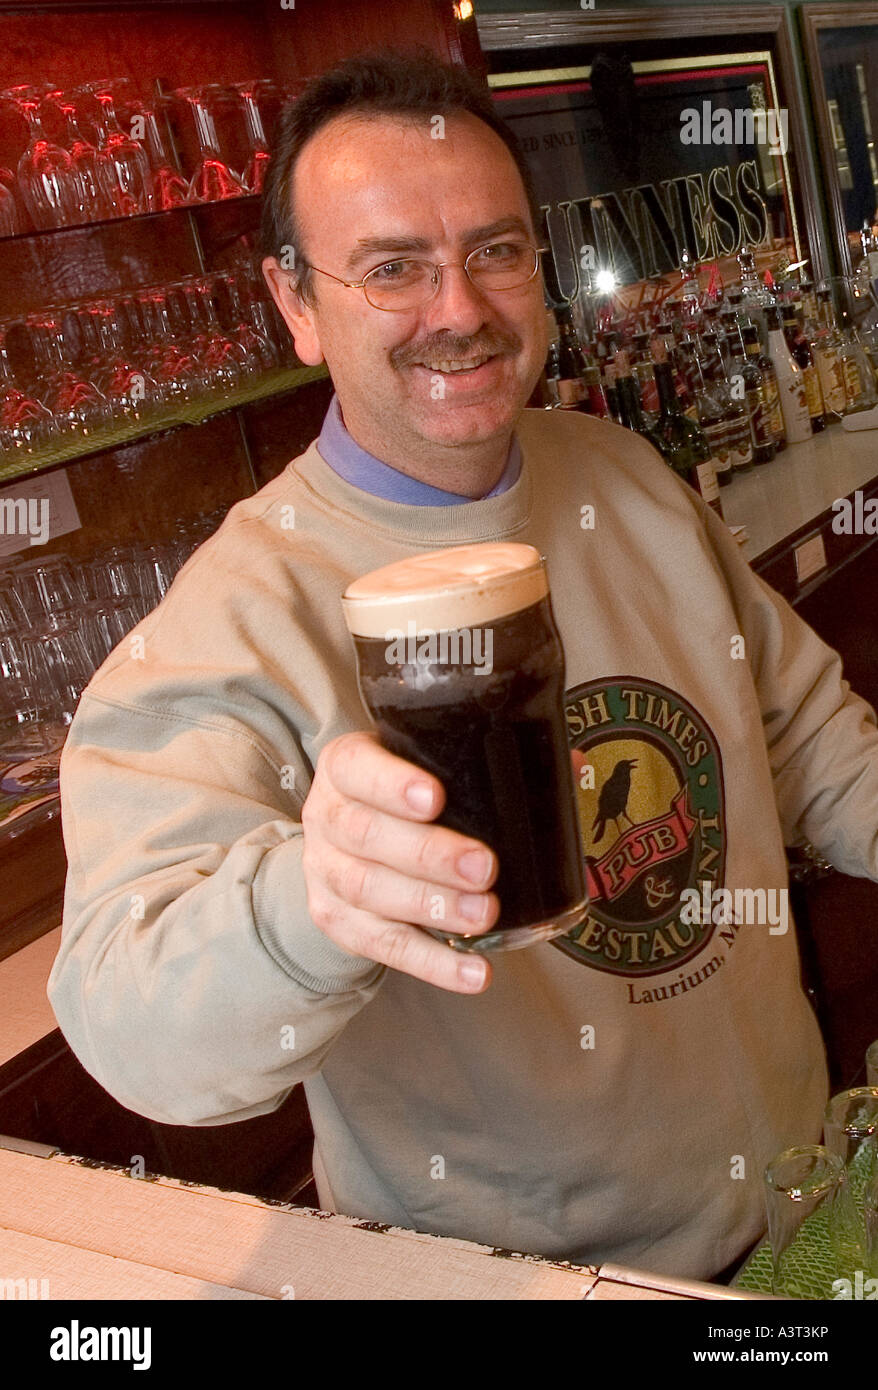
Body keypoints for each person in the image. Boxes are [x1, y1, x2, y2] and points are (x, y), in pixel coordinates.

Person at [48, 50, 878, 1282]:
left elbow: (807, 739)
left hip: (797, 1213)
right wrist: (309, 901)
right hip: (532, 1282)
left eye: (492, 250)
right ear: (293, 300)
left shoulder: (619, 475)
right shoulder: (238, 611)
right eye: (391, 268)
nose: (458, 309)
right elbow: (129, 1022)